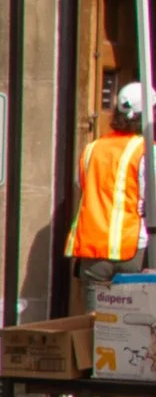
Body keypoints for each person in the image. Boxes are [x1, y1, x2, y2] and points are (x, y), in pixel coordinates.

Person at [68, 80, 147, 281]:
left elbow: (81, 184)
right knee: (134, 312)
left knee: (94, 313)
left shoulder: (92, 148)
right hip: (132, 248)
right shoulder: (147, 150)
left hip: (94, 251)